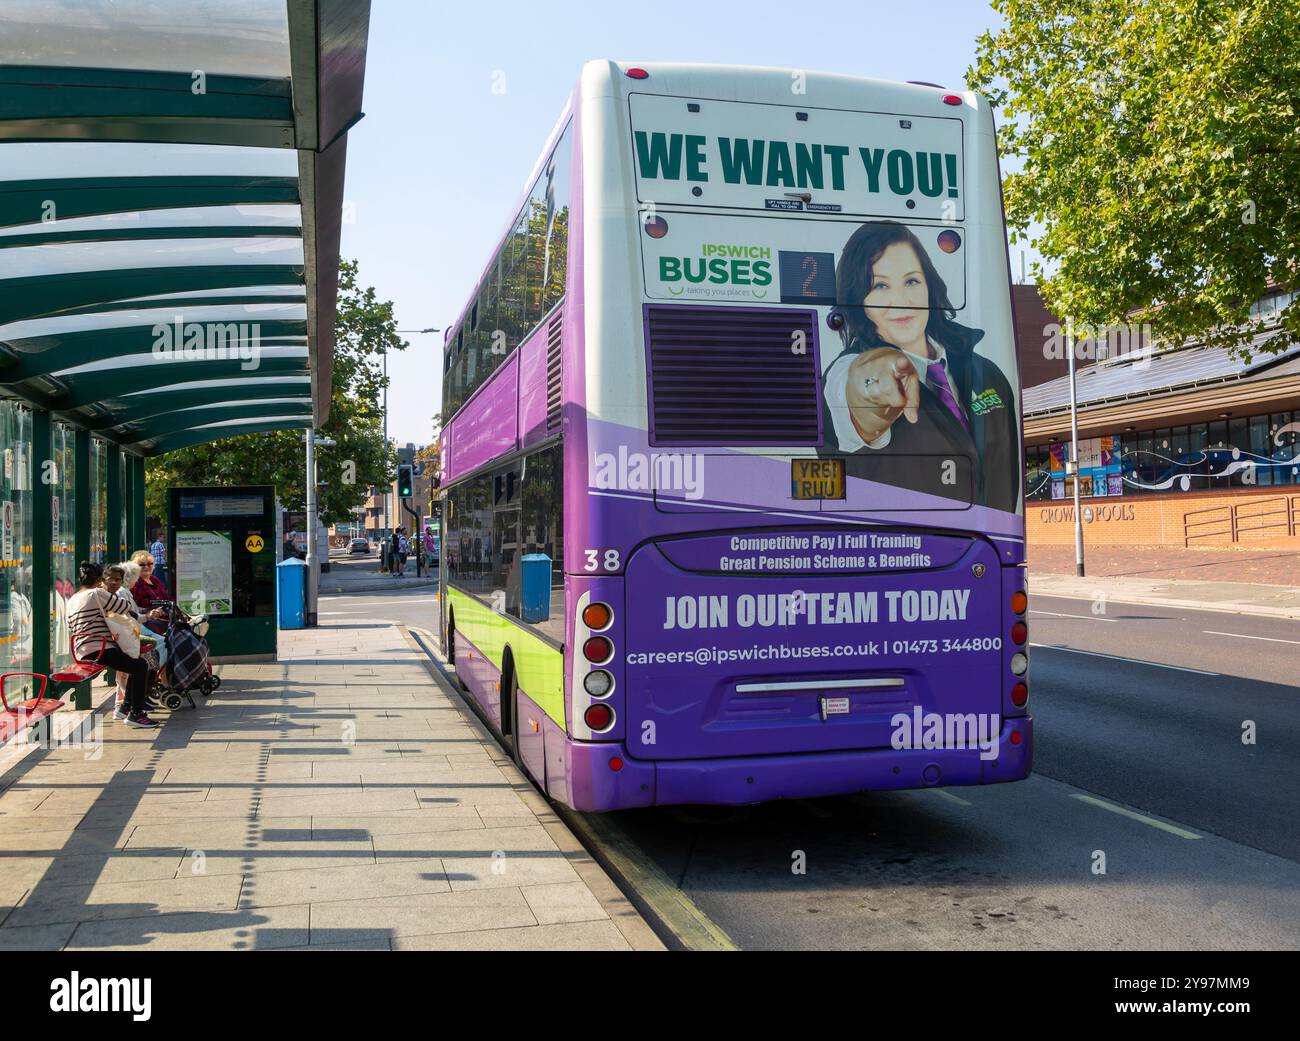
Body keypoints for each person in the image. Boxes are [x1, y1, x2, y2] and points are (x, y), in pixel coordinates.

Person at [821, 220, 1019, 513]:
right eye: (879, 286)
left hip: (988, 550)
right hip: (900, 554)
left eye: (911, 281)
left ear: (929, 286)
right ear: (858, 301)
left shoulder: (987, 374)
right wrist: (872, 388)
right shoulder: (844, 372)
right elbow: (853, 387)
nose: (901, 300)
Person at [67, 561, 157, 728]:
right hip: (99, 649)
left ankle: (125, 707)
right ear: (100, 579)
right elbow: (124, 606)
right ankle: (135, 714)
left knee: (134, 665)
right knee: (140, 666)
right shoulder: (95, 594)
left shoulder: (73, 598)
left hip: (82, 649)